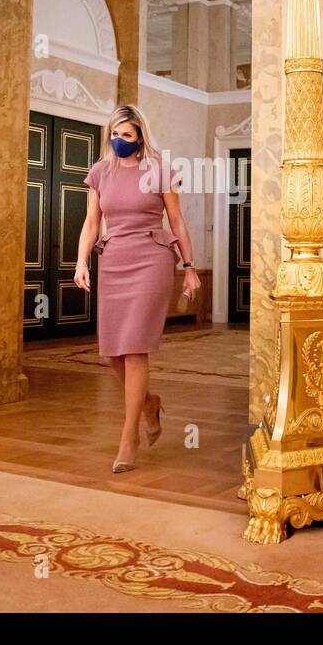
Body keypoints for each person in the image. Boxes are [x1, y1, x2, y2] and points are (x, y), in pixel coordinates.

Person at [75, 106, 200, 473]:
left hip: (151, 259)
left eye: (127, 135)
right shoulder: (100, 172)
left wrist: (190, 269)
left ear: (140, 137)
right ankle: (148, 403)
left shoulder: (159, 170)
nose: (119, 141)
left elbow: (176, 220)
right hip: (113, 259)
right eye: (115, 134)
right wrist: (82, 261)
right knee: (112, 353)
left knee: (134, 349)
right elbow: (92, 221)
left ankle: (128, 438)